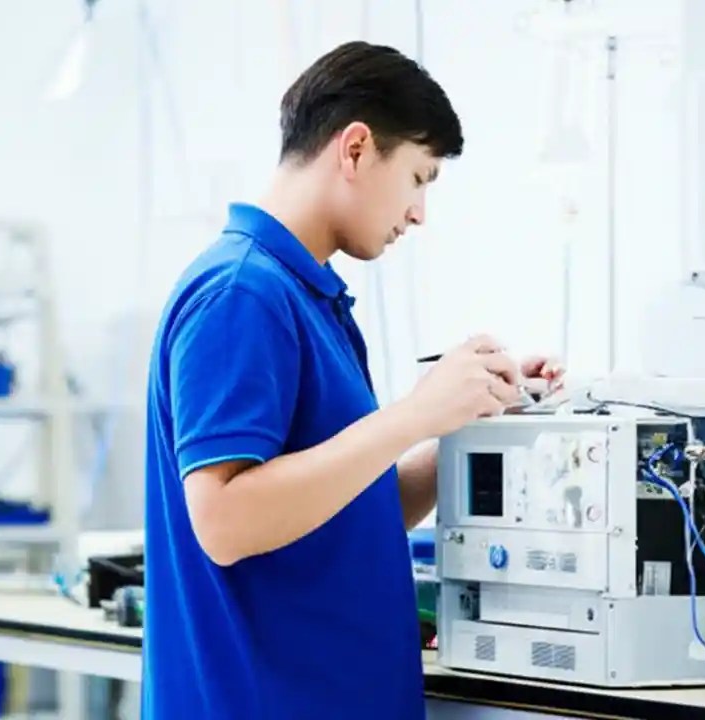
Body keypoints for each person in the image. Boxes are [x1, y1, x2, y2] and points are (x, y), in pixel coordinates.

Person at [142, 40, 565, 719]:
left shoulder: (309, 301)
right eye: (420, 178)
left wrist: (466, 419)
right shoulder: (241, 294)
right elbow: (223, 521)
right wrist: (412, 414)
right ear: (357, 148)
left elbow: (346, 510)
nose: (421, 211)